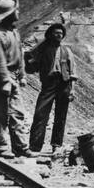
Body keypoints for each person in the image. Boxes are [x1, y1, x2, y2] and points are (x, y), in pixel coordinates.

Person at [0, 0, 31, 159]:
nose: (19, 13)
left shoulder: (15, 33)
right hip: (0, 77)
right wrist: (6, 81)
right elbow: (0, 61)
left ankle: (20, 146)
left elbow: (20, 56)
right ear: (10, 14)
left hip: (12, 76)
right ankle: (0, 146)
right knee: (1, 113)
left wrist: (22, 75)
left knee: (17, 113)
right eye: (16, 10)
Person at [26, 20, 75, 157]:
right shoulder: (42, 50)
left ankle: (56, 145)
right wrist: (27, 59)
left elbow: (72, 71)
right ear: (51, 35)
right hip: (49, 84)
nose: (59, 35)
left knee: (61, 115)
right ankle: (35, 146)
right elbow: (31, 68)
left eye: (61, 33)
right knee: (40, 114)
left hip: (64, 84)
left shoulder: (67, 51)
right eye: (56, 33)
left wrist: (72, 89)